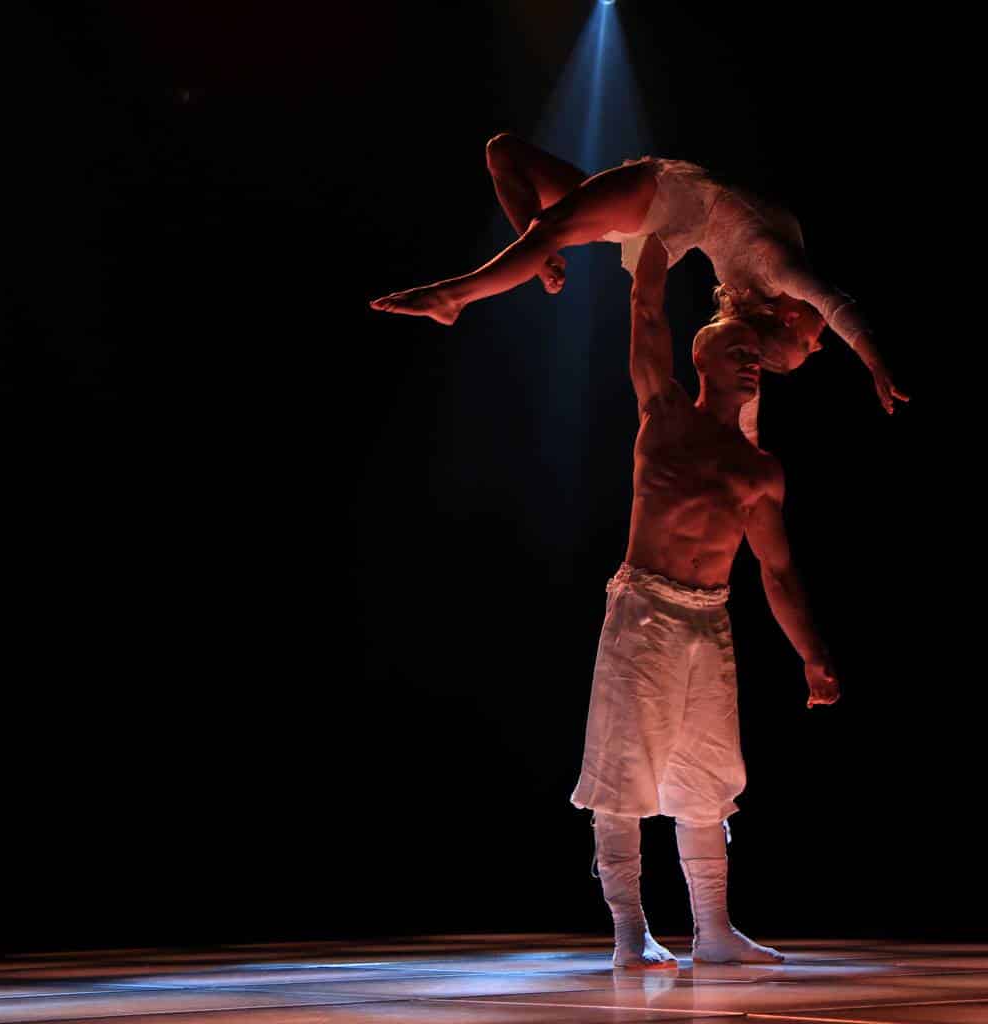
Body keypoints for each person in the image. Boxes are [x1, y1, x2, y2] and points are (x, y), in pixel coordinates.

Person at [570, 233, 840, 968]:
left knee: (706, 775)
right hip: (644, 612)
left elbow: (777, 571)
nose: (750, 363)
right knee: (622, 772)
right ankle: (630, 933)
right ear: (701, 359)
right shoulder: (663, 415)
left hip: (708, 620)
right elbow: (646, 311)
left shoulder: (760, 469)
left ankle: (714, 931)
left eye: (756, 356)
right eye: (735, 352)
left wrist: (812, 654)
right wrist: (661, 226)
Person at [370, 134, 909, 416]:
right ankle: (538, 255)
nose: (821, 341)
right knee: (506, 155)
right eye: (815, 345)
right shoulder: (778, 275)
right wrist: (874, 362)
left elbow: (830, 312)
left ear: (789, 320)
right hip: (658, 215)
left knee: (548, 225)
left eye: (811, 345)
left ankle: (455, 297)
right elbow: (833, 307)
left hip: (664, 200)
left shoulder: (774, 279)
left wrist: (873, 364)